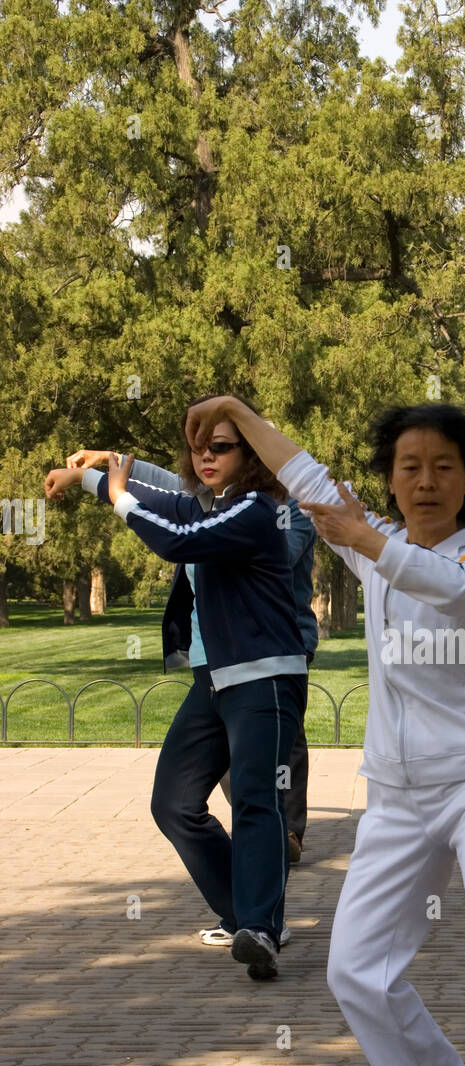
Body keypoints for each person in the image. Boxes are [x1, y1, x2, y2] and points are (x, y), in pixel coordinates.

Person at [180, 394, 465, 1066]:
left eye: (444, 467)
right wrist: (239, 412)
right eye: (410, 467)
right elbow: (302, 471)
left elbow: (451, 588)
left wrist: (367, 539)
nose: (426, 479)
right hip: (398, 800)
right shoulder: (373, 546)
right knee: (356, 970)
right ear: (392, 479)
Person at [44, 398, 308, 980]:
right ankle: (249, 917)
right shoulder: (214, 503)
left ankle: (261, 926)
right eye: (198, 447)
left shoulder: (258, 512)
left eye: (221, 447)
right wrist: (91, 474)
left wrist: (116, 496)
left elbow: (174, 537)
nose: (205, 456)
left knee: (256, 802)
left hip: (265, 677)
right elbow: (173, 502)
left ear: (252, 454)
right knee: (174, 802)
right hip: (215, 681)